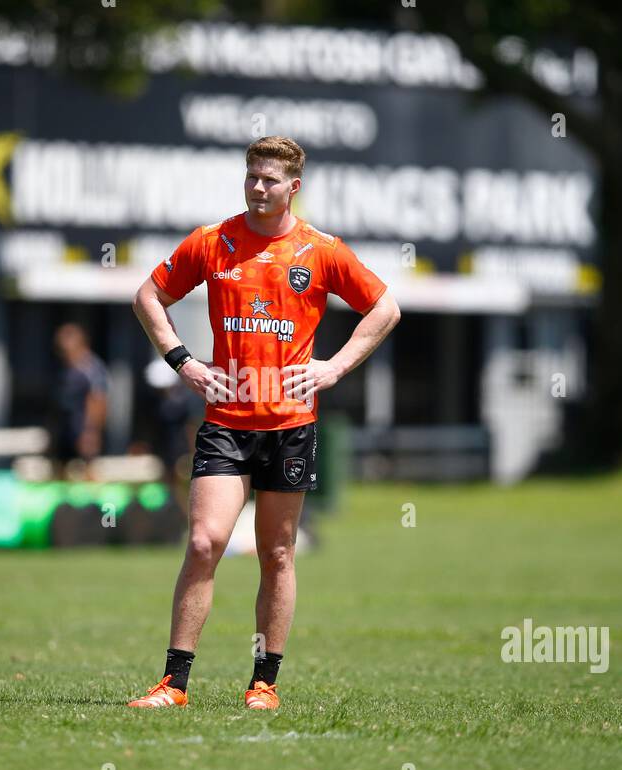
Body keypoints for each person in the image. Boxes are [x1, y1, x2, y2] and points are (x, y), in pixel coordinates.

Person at [128, 136, 401, 709]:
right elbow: (149, 296)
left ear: (293, 187)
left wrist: (337, 366)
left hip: (290, 425)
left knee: (277, 553)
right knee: (204, 542)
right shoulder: (213, 241)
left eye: (270, 180)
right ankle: (174, 684)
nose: (257, 187)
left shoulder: (321, 250)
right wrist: (184, 362)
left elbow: (386, 308)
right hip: (225, 421)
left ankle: (263, 682)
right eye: (251, 176)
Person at [53, 323, 108, 464]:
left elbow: (98, 399)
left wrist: (91, 432)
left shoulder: (91, 368)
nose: (62, 353)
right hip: (65, 430)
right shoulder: (66, 368)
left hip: (83, 432)